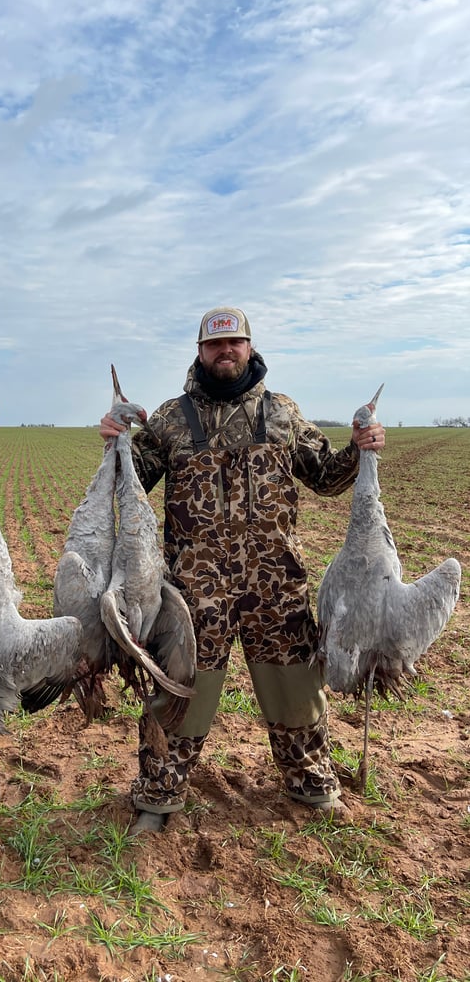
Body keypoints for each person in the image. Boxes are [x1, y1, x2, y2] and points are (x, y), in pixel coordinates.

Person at [100, 306, 386, 834]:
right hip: (195, 591)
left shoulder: (281, 413)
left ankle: (310, 781)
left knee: (296, 686)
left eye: (235, 344)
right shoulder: (169, 419)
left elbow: (323, 476)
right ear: (200, 351)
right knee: (182, 689)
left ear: (250, 348)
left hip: (276, 584)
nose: (225, 352)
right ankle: (159, 795)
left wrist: (359, 450)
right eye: (215, 345)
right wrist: (116, 439)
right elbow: (130, 482)